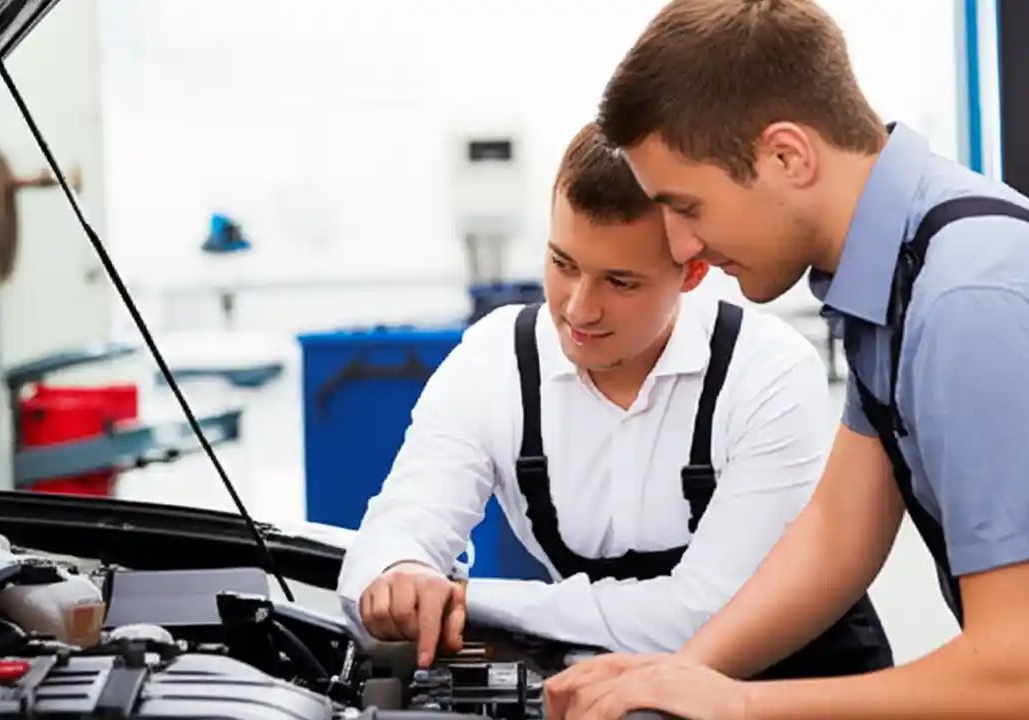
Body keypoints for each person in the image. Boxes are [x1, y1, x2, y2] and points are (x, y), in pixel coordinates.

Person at [543, 1, 1029, 719]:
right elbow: (840, 534)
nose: (679, 246)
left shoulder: (973, 297)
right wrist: (676, 675)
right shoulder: (895, 268)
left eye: (687, 206)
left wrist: (737, 706)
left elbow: (1028, 681)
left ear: (787, 156)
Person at [335, 121, 894, 678]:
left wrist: (463, 599)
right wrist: (402, 571)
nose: (579, 309)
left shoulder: (766, 374)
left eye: (620, 282)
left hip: (802, 690)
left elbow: (701, 614)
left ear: (693, 269)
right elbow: (389, 538)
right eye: (563, 264)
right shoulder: (493, 361)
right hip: (636, 690)